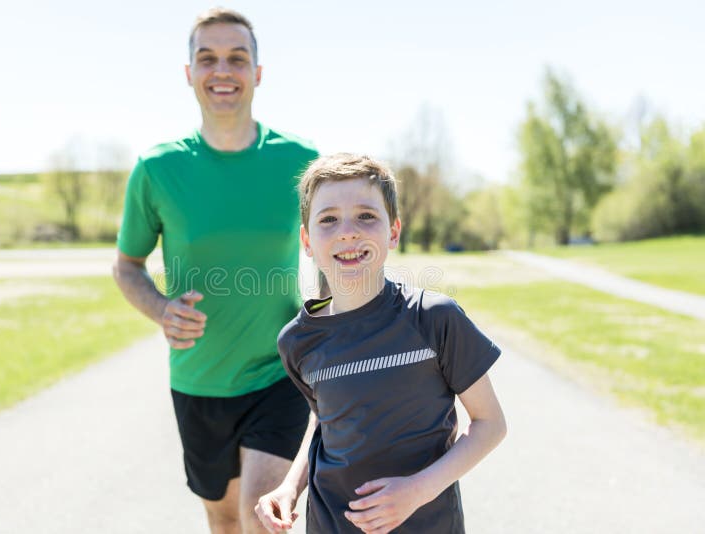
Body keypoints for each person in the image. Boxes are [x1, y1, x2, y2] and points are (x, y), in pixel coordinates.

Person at [112, 8, 317, 533]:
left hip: (280, 374)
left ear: (258, 73)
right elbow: (127, 266)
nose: (222, 70)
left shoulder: (301, 163)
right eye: (208, 58)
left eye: (237, 58)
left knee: (261, 517)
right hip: (198, 380)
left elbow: (338, 248)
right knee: (224, 520)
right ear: (189, 73)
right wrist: (161, 309)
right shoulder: (158, 168)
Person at [255, 153, 507, 533]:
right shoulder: (297, 340)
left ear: (393, 232)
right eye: (328, 219)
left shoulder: (433, 318)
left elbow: (490, 423)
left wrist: (418, 490)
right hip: (331, 523)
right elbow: (325, 420)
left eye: (366, 216)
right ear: (307, 240)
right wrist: (290, 487)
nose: (348, 232)